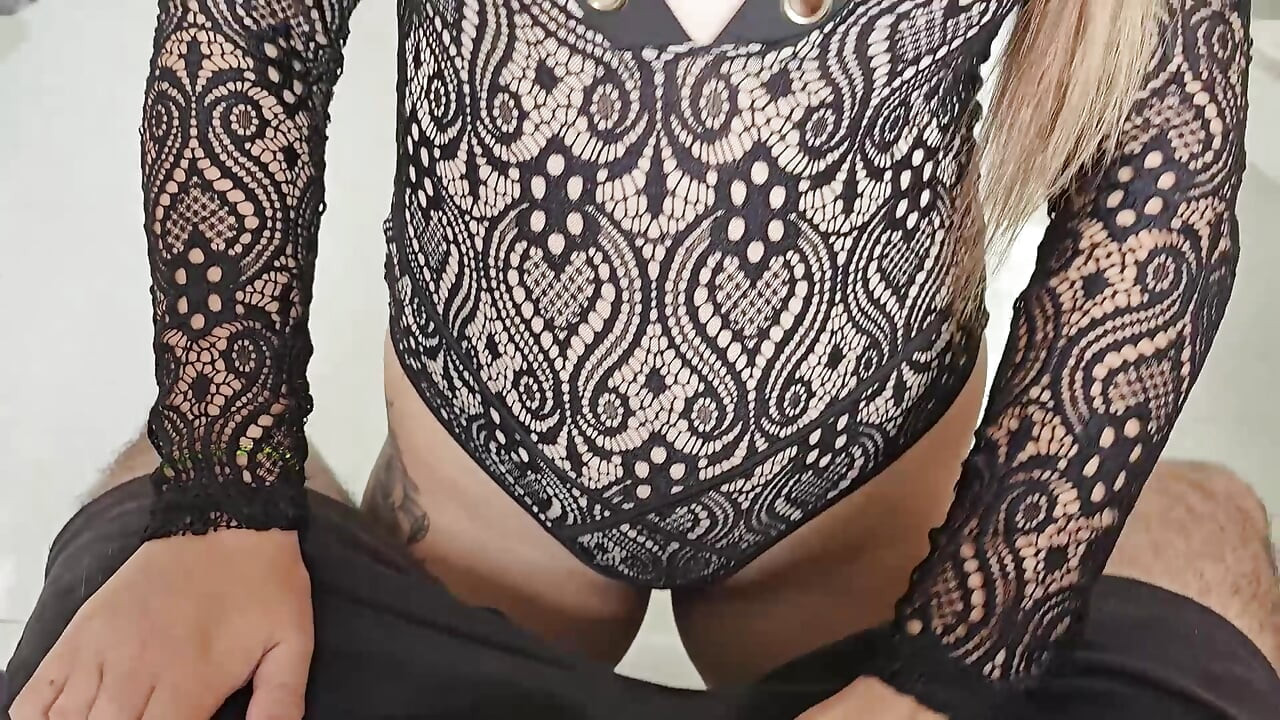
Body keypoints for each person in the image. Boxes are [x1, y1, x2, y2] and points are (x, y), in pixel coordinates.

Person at [4, 0, 1276, 718]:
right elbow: (249, 38)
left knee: (1204, 533)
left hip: (865, 497)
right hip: (483, 477)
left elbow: (1152, 169)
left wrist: (961, 659)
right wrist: (222, 496)